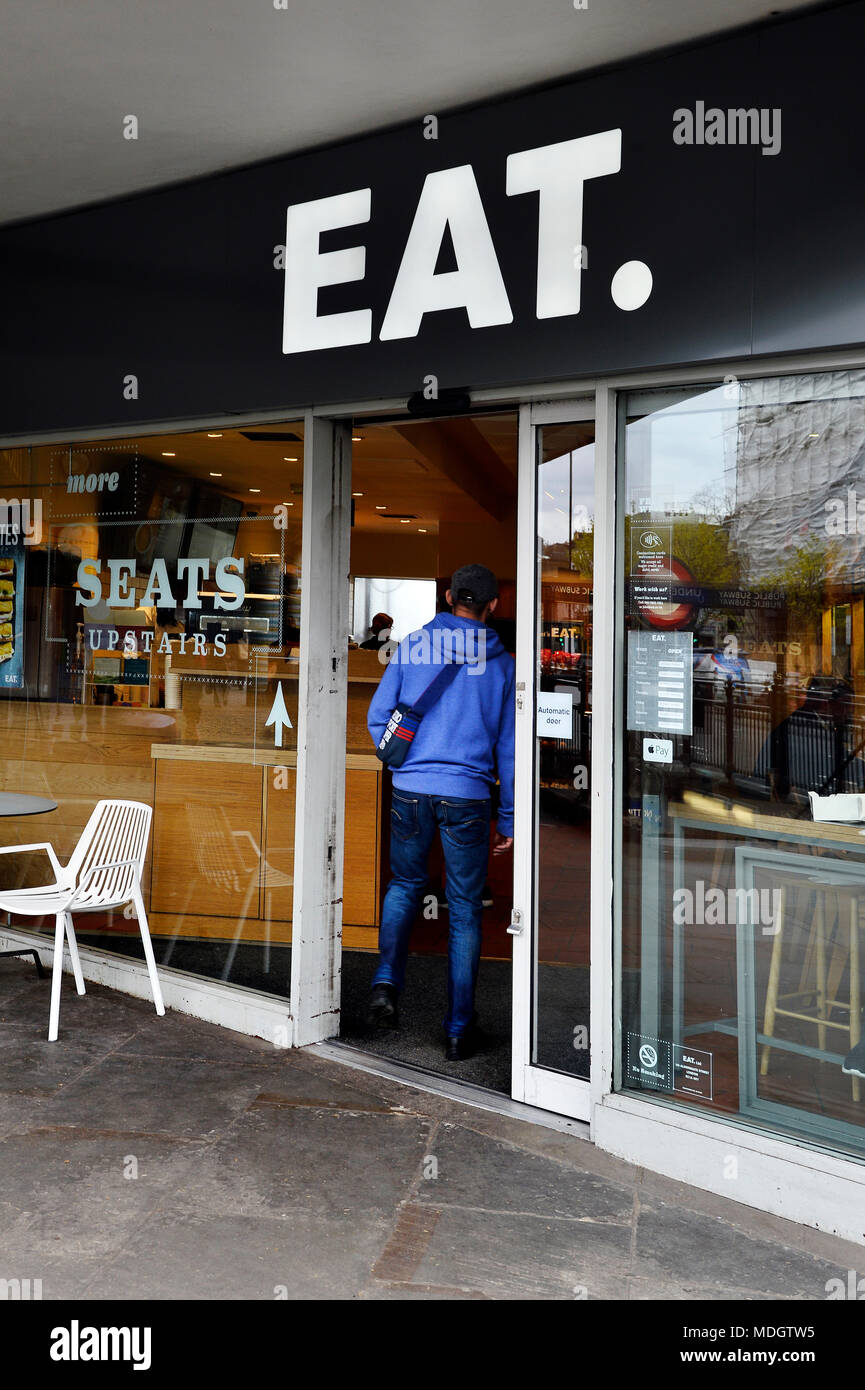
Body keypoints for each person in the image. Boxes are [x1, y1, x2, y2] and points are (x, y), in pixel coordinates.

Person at [365, 564, 515, 1060]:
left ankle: (386, 981)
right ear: (493, 606)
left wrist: (412, 762)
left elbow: (377, 720)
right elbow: (509, 749)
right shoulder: (503, 663)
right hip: (468, 796)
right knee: (466, 909)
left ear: (450, 596)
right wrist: (509, 817)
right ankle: (456, 1029)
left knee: (405, 884)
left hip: (410, 790)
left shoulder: (411, 646)